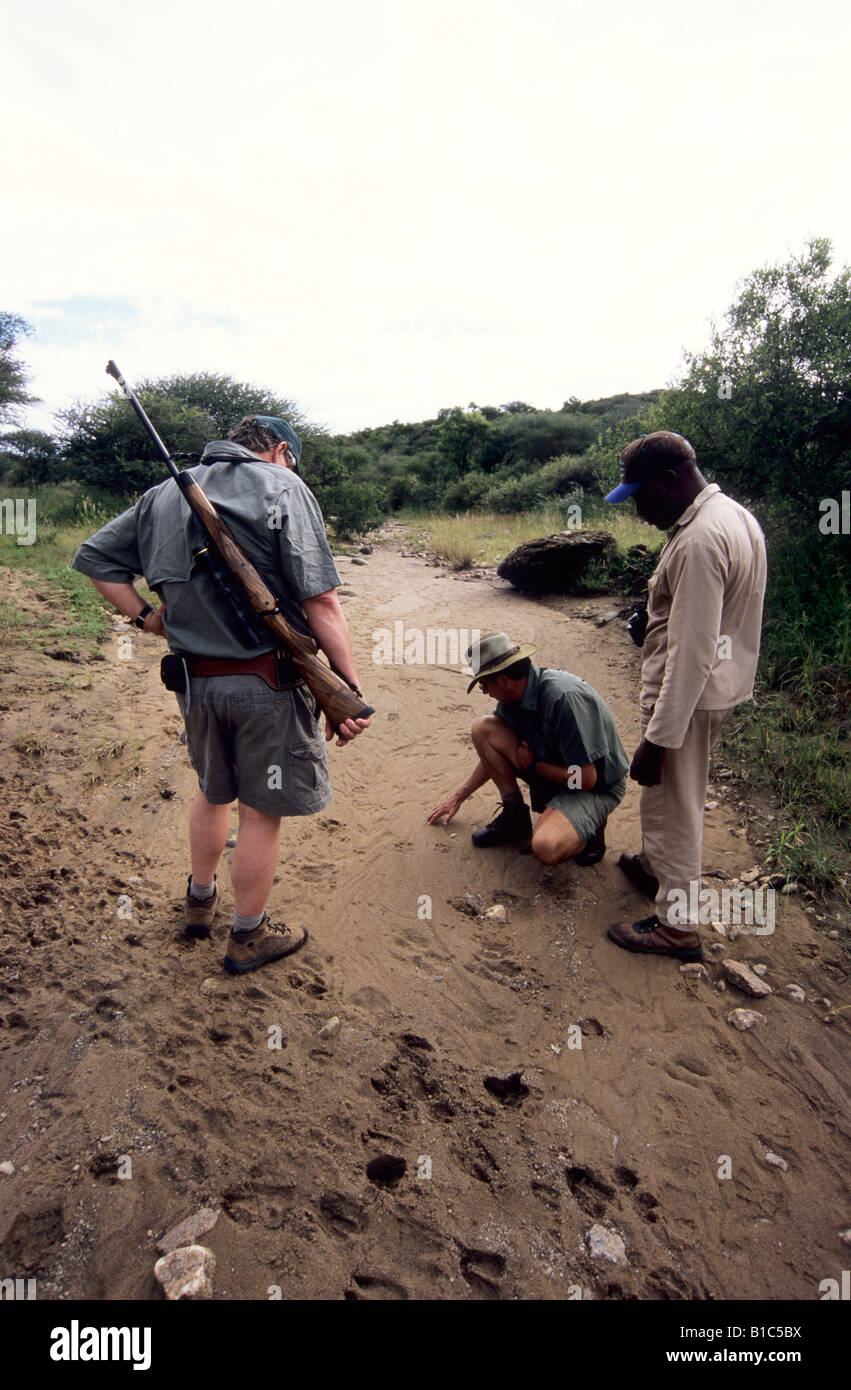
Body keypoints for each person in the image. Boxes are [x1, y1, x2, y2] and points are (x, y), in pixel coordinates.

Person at [72, 414, 369, 975]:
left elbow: (94, 559)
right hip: (269, 683)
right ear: (280, 450)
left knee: (213, 792)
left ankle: (199, 902)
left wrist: (146, 620)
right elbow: (323, 604)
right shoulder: (283, 485)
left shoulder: (161, 493)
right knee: (260, 811)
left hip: (195, 684)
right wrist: (348, 686)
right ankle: (249, 936)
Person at [605, 430, 766, 962]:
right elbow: (704, 621)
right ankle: (655, 867)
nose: (638, 510)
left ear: (671, 482)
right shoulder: (732, 516)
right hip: (716, 685)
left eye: (642, 495)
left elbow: (694, 651)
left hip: (690, 697)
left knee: (678, 805)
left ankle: (677, 926)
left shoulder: (699, 539)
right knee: (671, 798)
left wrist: (659, 738)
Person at [427, 632, 628, 866]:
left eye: (484, 685)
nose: (485, 692)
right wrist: (459, 796)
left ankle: (590, 828)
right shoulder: (514, 698)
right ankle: (515, 818)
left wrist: (535, 766)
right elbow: (492, 755)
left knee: (544, 847)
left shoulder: (563, 698)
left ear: (502, 680)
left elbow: (586, 779)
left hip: (593, 786)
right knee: (483, 728)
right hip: (556, 768)